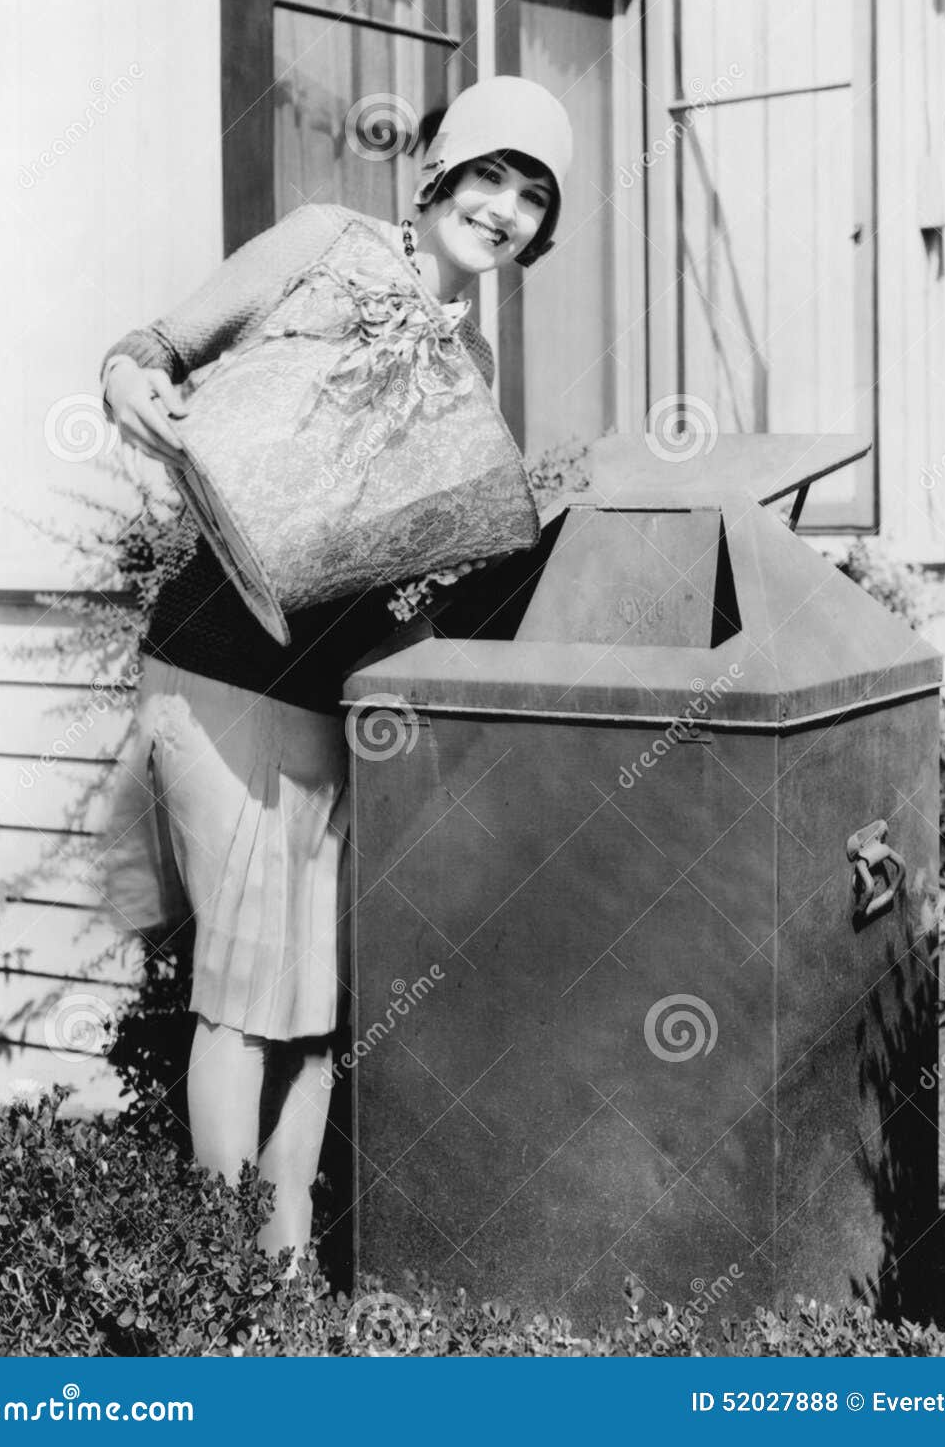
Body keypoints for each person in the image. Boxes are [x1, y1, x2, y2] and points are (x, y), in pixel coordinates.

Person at [98, 75, 573, 1265]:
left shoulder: (473, 383)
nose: (504, 209)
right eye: (491, 176)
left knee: (320, 1003)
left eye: (533, 196)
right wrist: (128, 389)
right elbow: (152, 346)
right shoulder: (323, 246)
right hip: (215, 663)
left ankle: (288, 1244)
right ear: (441, 175)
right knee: (246, 996)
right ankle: (231, 1276)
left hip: (332, 694)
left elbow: (422, 574)